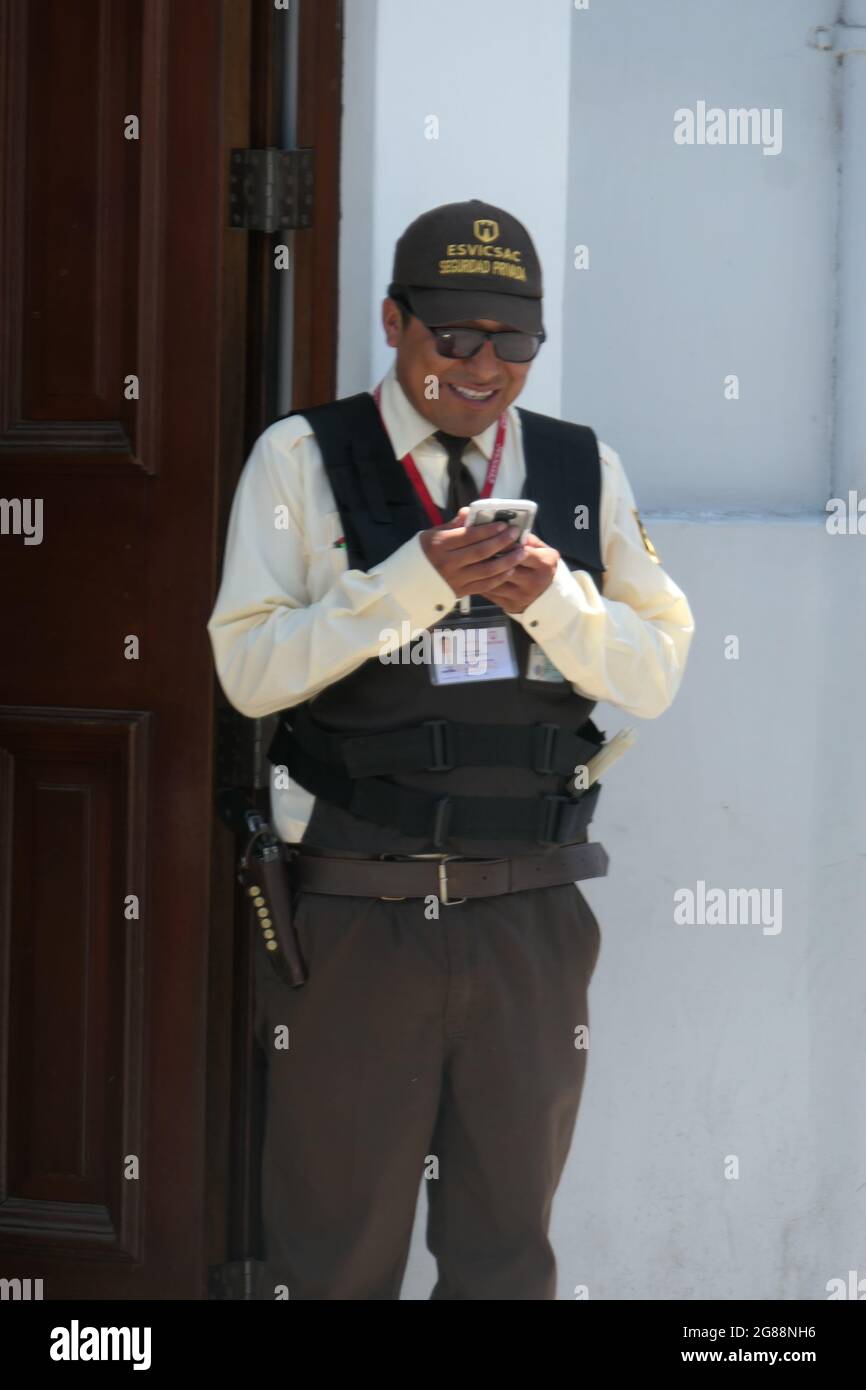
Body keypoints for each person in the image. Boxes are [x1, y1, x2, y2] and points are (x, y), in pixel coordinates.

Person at [207, 198, 695, 1300]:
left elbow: (653, 673)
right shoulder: (302, 459)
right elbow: (248, 671)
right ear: (393, 320)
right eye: (454, 335)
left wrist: (556, 605)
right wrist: (413, 582)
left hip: (528, 915)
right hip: (353, 914)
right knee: (337, 1246)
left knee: (505, 1250)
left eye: (512, 340)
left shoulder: (580, 467)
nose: (483, 365)